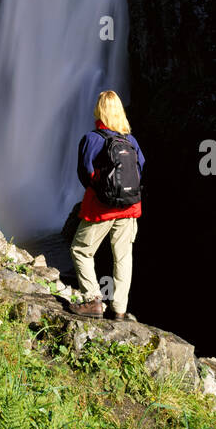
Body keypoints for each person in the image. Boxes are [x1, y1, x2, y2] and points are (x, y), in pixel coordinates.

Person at [70, 89, 145, 320]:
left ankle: (93, 300)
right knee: (123, 257)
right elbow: (140, 168)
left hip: (102, 208)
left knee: (81, 250)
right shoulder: (131, 141)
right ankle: (119, 310)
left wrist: (102, 191)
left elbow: (85, 172)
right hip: (130, 207)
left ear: (99, 111)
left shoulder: (92, 139)